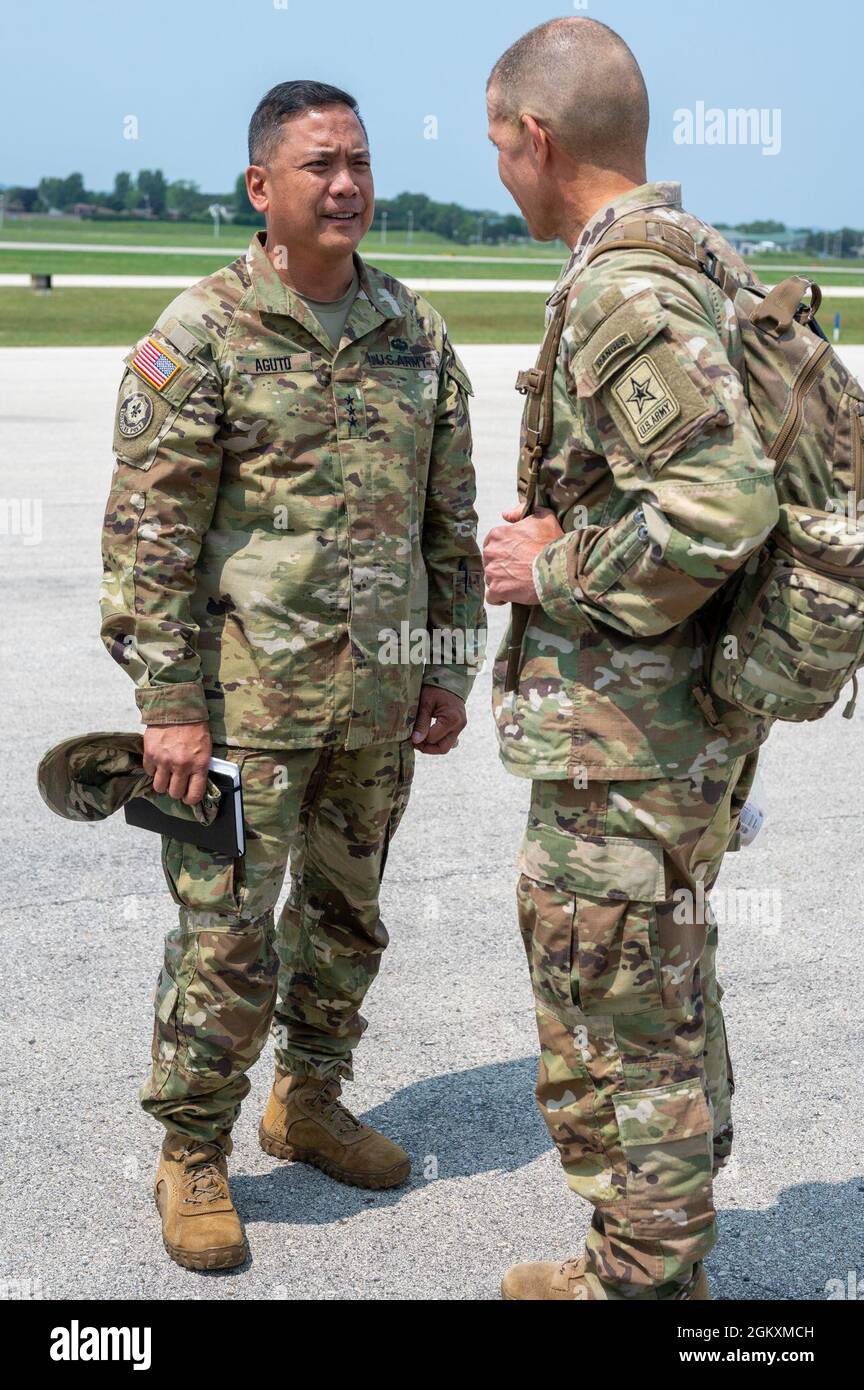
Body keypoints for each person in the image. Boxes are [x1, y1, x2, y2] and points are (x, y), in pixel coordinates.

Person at [100, 79, 484, 1270]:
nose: (348, 184)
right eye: (321, 164)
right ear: (262, 188)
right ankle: (193, 1147)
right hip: (235, 713)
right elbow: (146, 539)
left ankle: (308, 1099)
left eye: (360, 161)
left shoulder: (415, 332)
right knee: (223, 935)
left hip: (375, 704)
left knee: (346, 920)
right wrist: (166, 702)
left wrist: (446, 664)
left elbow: (449, 525)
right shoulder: (203, 335)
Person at [482, 17, 778, 1301]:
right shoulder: (702, 255)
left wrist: (544, 567)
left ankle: (644, 1287)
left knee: (617, 1004)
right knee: (659, 975)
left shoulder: (620, 287)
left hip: (630, 736)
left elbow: (719, 504)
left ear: (537, 141)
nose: (502, 170)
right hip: (678, 723)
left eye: (500, 146)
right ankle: (646, 1259)